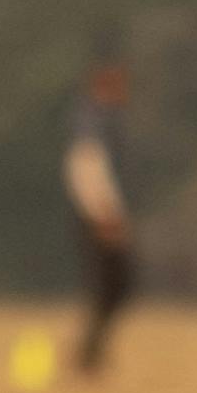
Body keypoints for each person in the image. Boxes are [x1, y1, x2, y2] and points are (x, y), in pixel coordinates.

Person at [64, 62, 142, 376]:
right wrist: (105, 216)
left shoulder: (96, 119)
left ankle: (89, 355)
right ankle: (87, 357)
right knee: (112, 286)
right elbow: (86, 168)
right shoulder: (94, 122)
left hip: (100, 216)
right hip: (99, 218)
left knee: (111, 287)